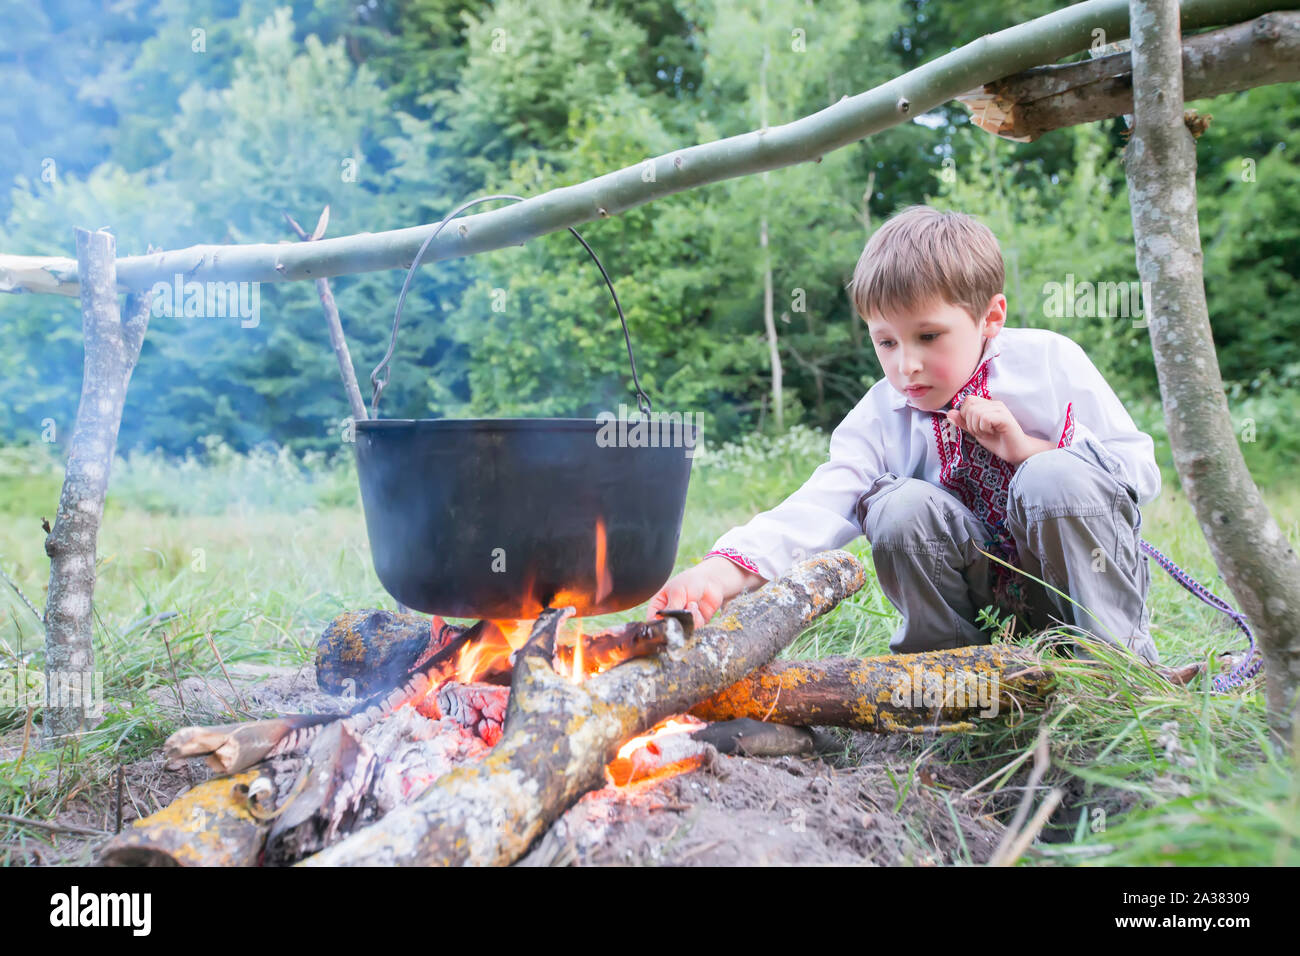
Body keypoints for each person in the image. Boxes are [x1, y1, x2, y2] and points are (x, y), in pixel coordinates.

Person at [645, 205, 1161, 664]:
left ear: (991, 317)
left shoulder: (1049, 363)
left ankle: (1114, 673)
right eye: (886, 342)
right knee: (899, 508)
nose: (906, 365)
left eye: (928, 337)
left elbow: (1139, 473)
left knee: (1052, 476)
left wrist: (1028, 451)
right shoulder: (880, 415)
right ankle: (947, 682)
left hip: (1081, 598)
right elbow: (818, 507)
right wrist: (717, 573)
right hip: (983, 616)